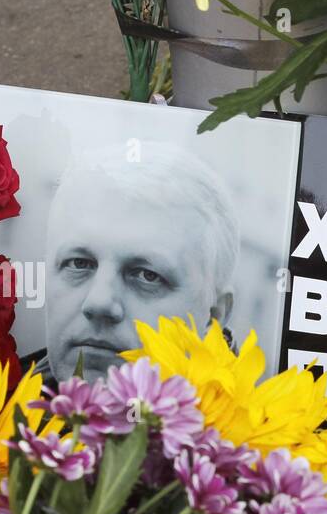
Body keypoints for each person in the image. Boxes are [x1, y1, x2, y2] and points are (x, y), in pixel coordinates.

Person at [33, 141, 240, 381]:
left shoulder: (273, 416)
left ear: (212, 318)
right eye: (79, 263)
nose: (99, 302)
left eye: (147, 275)